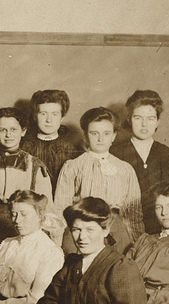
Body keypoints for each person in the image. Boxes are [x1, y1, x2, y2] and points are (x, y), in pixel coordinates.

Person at [37, 197, 149, 304]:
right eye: (76, 229)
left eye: (90, 230)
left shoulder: (121, 266)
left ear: (105, 231)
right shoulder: (72, 263)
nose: (82, 237)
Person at [0, 107, 56, 279]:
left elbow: (46, 209)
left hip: (26, 234)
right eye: (3, 130)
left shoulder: (36, 165)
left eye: (14, 129)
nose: (8, 135)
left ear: (23, 131)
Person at [54, 107, 144, 253]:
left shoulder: (125, 169)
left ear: (114, 135)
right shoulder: (73, 166)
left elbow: (134, 214)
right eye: (94, 133)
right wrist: (57, 244)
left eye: (106, 133)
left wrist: (138, 246)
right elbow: (60, 209)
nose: (101, 139)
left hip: (116, 232)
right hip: (82, 231)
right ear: (85, 135)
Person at [112, 90, 169, 236]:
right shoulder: (115, 154)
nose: (144, 124)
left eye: (151, 118)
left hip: (162, 232)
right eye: (138, 118)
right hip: (126, 231)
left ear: (157, 122)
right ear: (129, 119)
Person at [0, 190, 65, 304]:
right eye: (13, 214)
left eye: (23, 214)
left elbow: (36, 302)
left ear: (39, 215)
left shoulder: (49, 251)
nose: (17, 221)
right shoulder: (7, 243)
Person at [20, 89, 84, 188]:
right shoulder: (26, 146)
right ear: (35, 117)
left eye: (55, 114)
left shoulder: (71, 148)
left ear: (62, 118)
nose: (49, 120)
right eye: (43, 114)